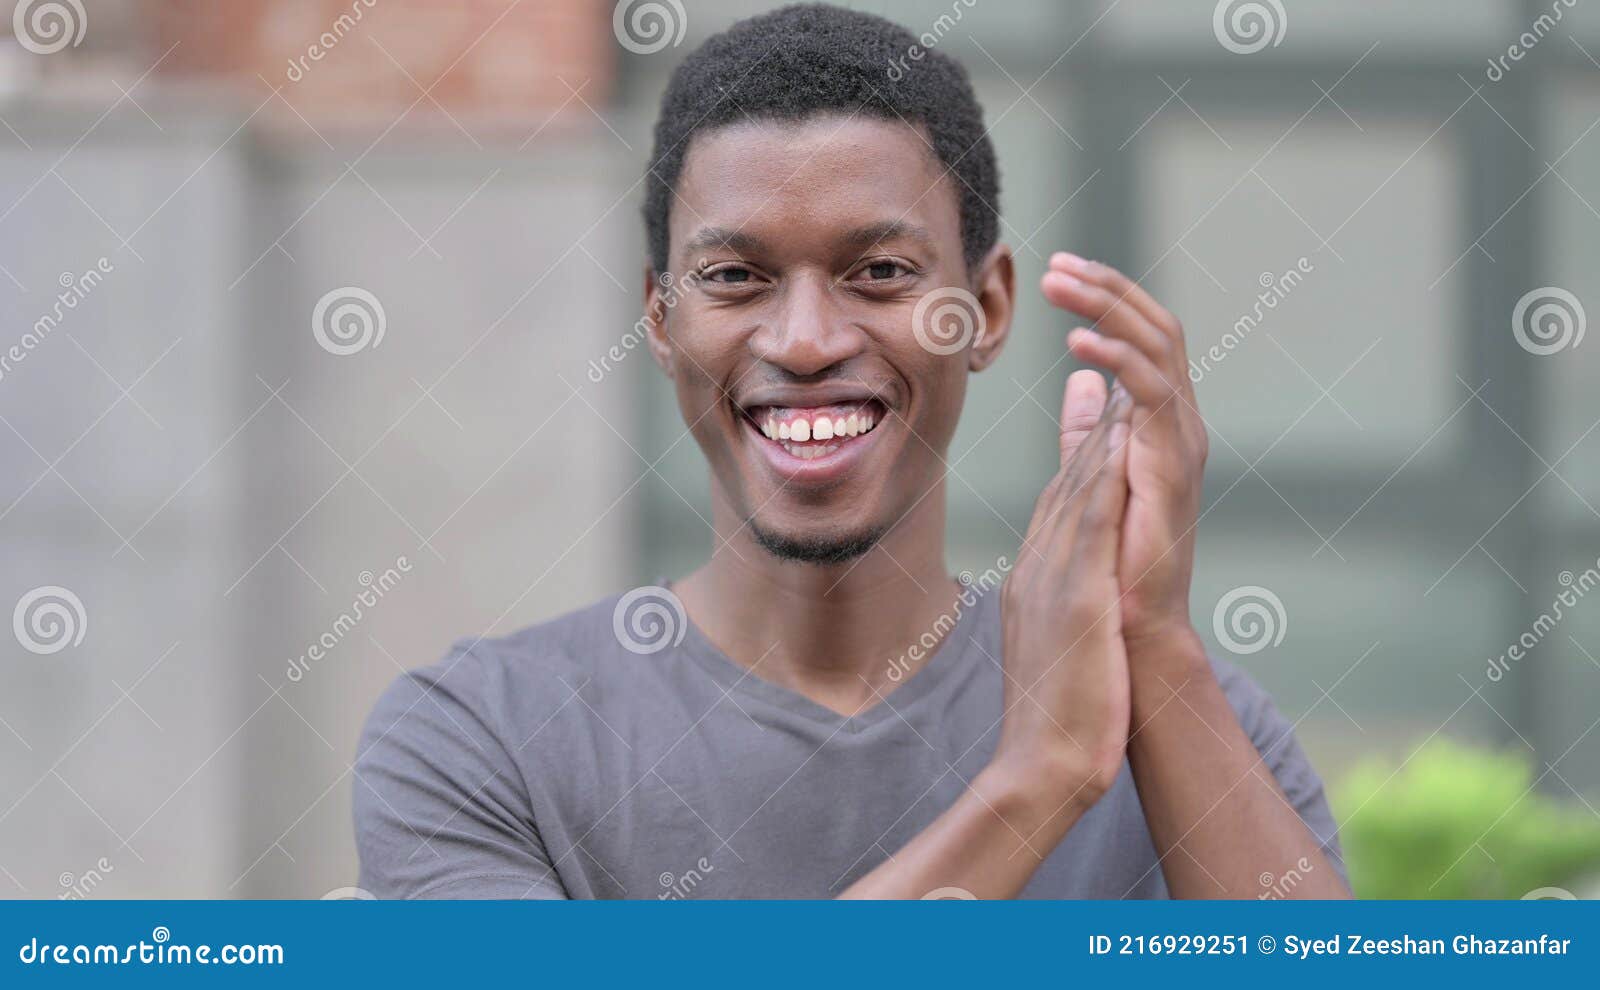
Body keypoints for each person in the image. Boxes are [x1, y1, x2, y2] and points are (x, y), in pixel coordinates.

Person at [354, 3, 1349, 900]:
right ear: (661, 320)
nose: (803, 341)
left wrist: (1153, 647)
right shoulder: (477, 738)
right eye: (736, 275)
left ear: (986, 308)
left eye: (878, 271)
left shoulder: (1183, 720)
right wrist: (1034, 783)